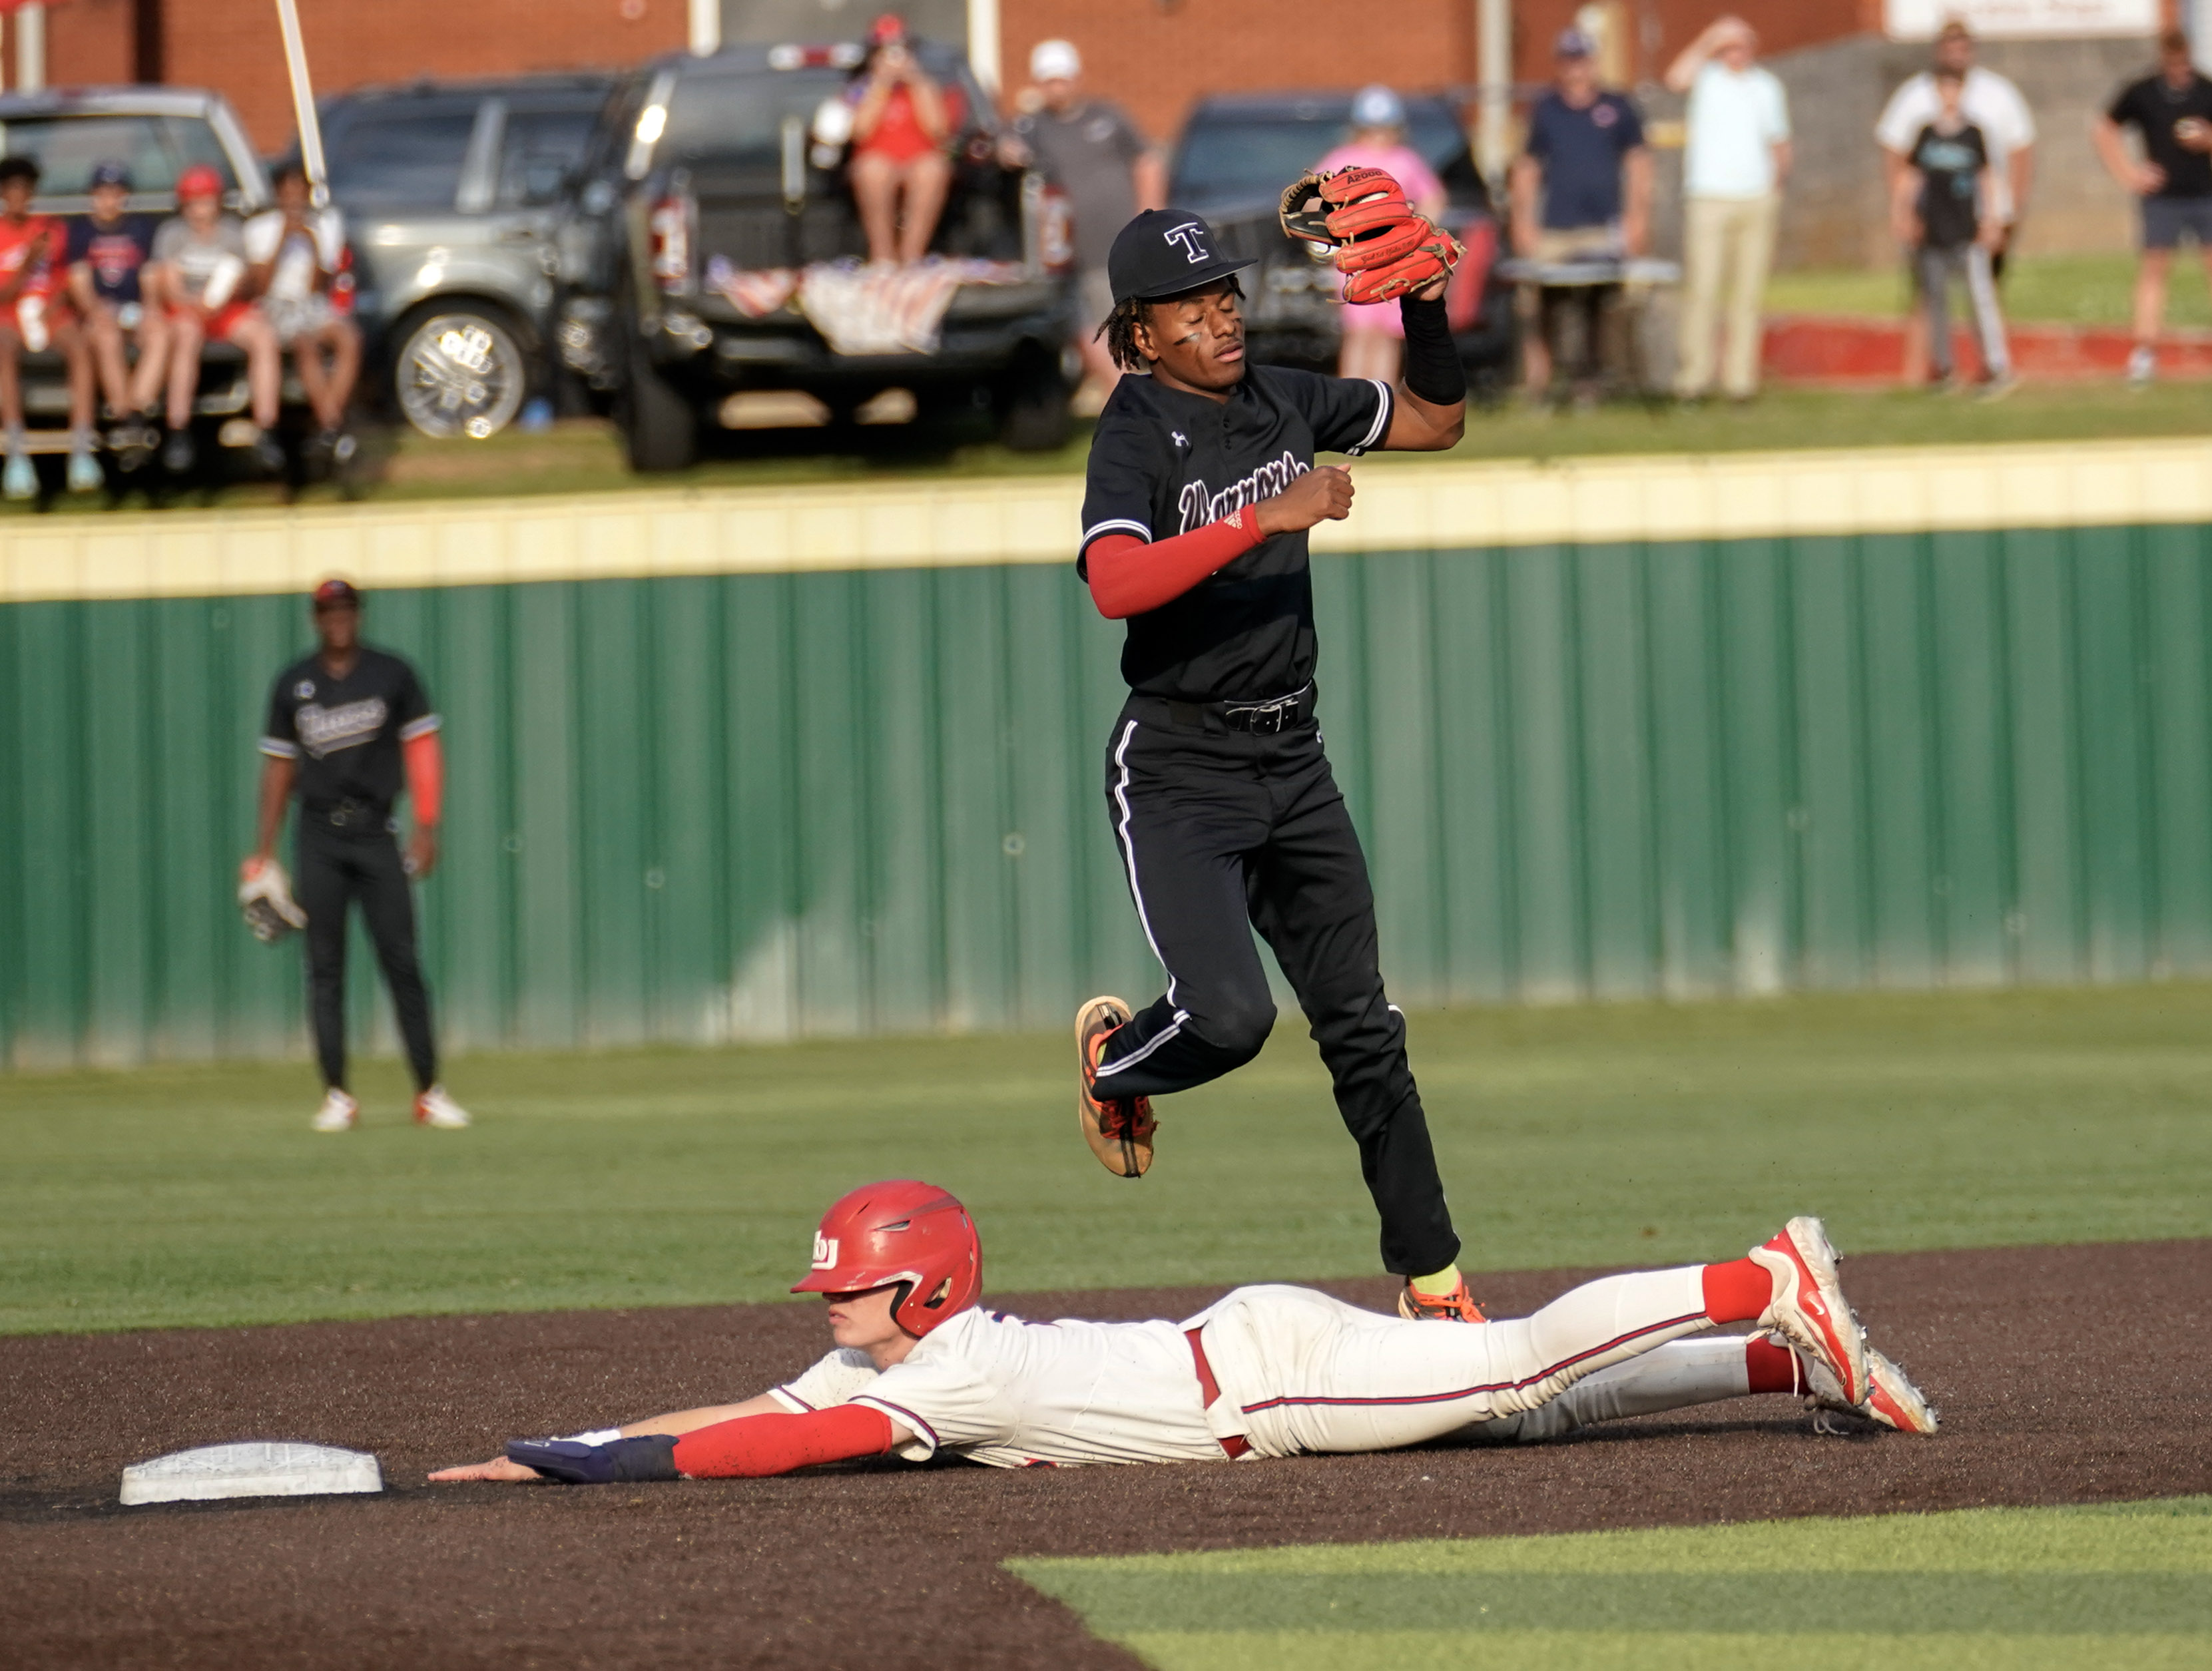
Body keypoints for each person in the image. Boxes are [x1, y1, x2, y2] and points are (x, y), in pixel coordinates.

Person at [1069, 206, 1482, 1323]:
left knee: (1362, 1031)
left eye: (1225, 297)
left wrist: (1425, 303)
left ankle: (1434, 1285)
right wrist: (1262, 516)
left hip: (1290, 758)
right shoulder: (1133, 431)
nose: (1217, 317)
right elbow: (1114, 584)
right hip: (1178, 768)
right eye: (1187, 308)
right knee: (1230, 1019)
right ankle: (1115, 1064)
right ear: (1141, 335)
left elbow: (1438, 421)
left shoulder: (1284, 398)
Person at [427, 1182, 1934, 1487]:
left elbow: (795, 1441)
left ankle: (1758, 1279)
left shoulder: (937, 1378)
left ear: (924, 1286)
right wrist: (576, 1442)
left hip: (1271, 1384)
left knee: (1517, 1361)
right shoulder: (888, 1356)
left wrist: (595, 1478)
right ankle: (1771, 1354)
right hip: (1249, 1348)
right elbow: (750, 1399)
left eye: (852, 1283)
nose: (828, 1300)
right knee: (1522, 1407)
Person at [248, 579, 470, 1134]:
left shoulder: (391, 673)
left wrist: (428, 826)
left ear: (359, 614)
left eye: (346, 608)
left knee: (402, 962)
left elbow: (422, 748)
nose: (338, 618)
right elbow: (278, 766)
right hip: (319, 834)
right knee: (325, 969)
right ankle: (338, 1096)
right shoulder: (294, 683)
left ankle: (428, 1090)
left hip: (376, 832)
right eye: (329, 610)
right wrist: (264, 850)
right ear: (314, 618)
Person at [999, 38, 1165, 408]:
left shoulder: (1108, 116)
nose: (1057, 87)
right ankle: (1128, 402)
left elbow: (1147, 162)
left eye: (1062, 79)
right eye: (1049, 81)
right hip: (1074, 253)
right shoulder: (1033, 126)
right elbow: (1008, 151)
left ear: (1075, 78)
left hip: (1122, 246)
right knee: (1090, 330)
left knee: (1142, 328)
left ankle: (1155, 404)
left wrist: (1151, 218)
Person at [1876, 18, 2035, 388]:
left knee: (1984, 294)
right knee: (1928, 297)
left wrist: (2006, 212)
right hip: (1932, 219)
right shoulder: (1915, 100)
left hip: (1976, 220)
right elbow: (1898, 159)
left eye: (1963, 43)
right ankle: (1926, 374)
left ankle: (1993, 367)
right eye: (1949, 43)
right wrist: (1903, 210)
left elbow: (2013, 157)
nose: (1956, 50)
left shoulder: (1995, 97)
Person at [1510, 29, 1651, 403]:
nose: (1577, 70)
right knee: (1542, 303)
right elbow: (1528, 166)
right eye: (1569, 62)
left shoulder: (1618, 107)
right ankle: (1538, 386)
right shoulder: (1546, 110)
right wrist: (1523, 220)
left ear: (1594, 63)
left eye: (1583, 61)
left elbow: (1638, 163)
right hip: (1556, 228)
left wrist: (1637, 217)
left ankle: (1592, 384)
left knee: (1600, 303)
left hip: (1602, 226)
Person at [1666, 15, 1792, 404]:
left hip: (1755, 197)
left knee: (1747, 295)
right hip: (1710, 197)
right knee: (1703, 290)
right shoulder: (1707, 79)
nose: (1738, 53)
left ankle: (1740, 382)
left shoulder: (1767, 86)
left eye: (1744, 45)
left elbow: (1780, 141)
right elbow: (1676, 78)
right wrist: (1707, 38)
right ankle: (1694, 378)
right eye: (1730, 46)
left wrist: (1776, 186)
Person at [2093, 29, 2212, 388]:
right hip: (2162, 197)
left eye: (2182, 62)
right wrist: (2129, 174)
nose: (2178, 69)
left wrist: (2207, 140)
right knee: (2154, 270)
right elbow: (2104, 128)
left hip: (2204, 193)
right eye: (2171, 62)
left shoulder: (2206, 90)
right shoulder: (2143, 91)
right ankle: (2145, 350)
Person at [152, 163, 283, 475]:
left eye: (206, 201)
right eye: (193, 203)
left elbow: (243, 281)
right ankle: (178, 428)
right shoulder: (172, 234)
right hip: (187, 309)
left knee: (264, 337)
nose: (199, 210)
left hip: (225, 309)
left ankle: (267, 426)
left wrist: (235, 288)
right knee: (186, 336)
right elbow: (170, 286)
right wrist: (193, 303)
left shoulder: (232, 234)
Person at [1314, 85, 1448, 383]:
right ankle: (1351, 393)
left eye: (1385, 129)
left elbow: (1434, 198)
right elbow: (1314, 197)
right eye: (1371, 130)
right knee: (1359, 330)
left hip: (1394, 257)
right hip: (1355, 257)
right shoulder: (1342, 158)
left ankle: (1381, 394)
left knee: (1387, 334)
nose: (1378, 137)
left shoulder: (1406, 160)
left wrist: (1418, 233)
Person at [1893, 67, 2012, 398]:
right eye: (1943, 87)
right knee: (1936, 301)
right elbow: (1912, 177)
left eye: (1955, 87)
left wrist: (1991, 220)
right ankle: (1944, 369)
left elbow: (1987, 178)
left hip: (1966, 230)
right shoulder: (1926, 134)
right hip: (1933, 230)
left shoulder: (1973, 134)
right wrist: (1904, 214)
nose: (1949, 94)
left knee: (1979, 300)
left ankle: (1994, 366)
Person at [244, 163, 359, 462]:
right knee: (305, 344)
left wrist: (312, 242)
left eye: (300, 194)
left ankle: (327, 427)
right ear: (278, 195)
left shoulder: (325, 224)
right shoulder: (260, 228)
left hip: (311, 302)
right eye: (288, 194)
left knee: (349, 338)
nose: (294, 201)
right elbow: (260, 286)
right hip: (276, 303)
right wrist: (283, 238)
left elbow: (320, 287)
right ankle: (332, 427)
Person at [0, 154, 100, 499]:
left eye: (24, 190)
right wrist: (28, 261)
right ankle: (17, 452)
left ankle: (82, 448)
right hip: (10, 314)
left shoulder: (52, 228)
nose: (18, 197)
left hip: (49, 311)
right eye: (11, 190)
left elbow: (65, 281)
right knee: (2, 351)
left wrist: (52, 306)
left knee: (79, 346)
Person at [61, 160, 167, 471]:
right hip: (99, 311)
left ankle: (138, 409)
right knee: (106, 336)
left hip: (132, 308)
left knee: (160, 332)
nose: (110, 199)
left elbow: (148, 276)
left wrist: (151, 308)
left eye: (116, 192)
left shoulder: (139, 229)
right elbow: (78, 281)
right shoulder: (80, 231)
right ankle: (123, 418)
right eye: (103, 193)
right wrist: (95, 309)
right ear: (93, 195)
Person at [847, 15, 956, 266]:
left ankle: (911, 254)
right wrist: (881, 83)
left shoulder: (925, 86)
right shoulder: (861, 88)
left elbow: (938, 129)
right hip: (878, 158)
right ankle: (883, 255)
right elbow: (860, 131)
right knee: (873, 172)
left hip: (917, 157)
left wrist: (916, 82)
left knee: (932, 170)